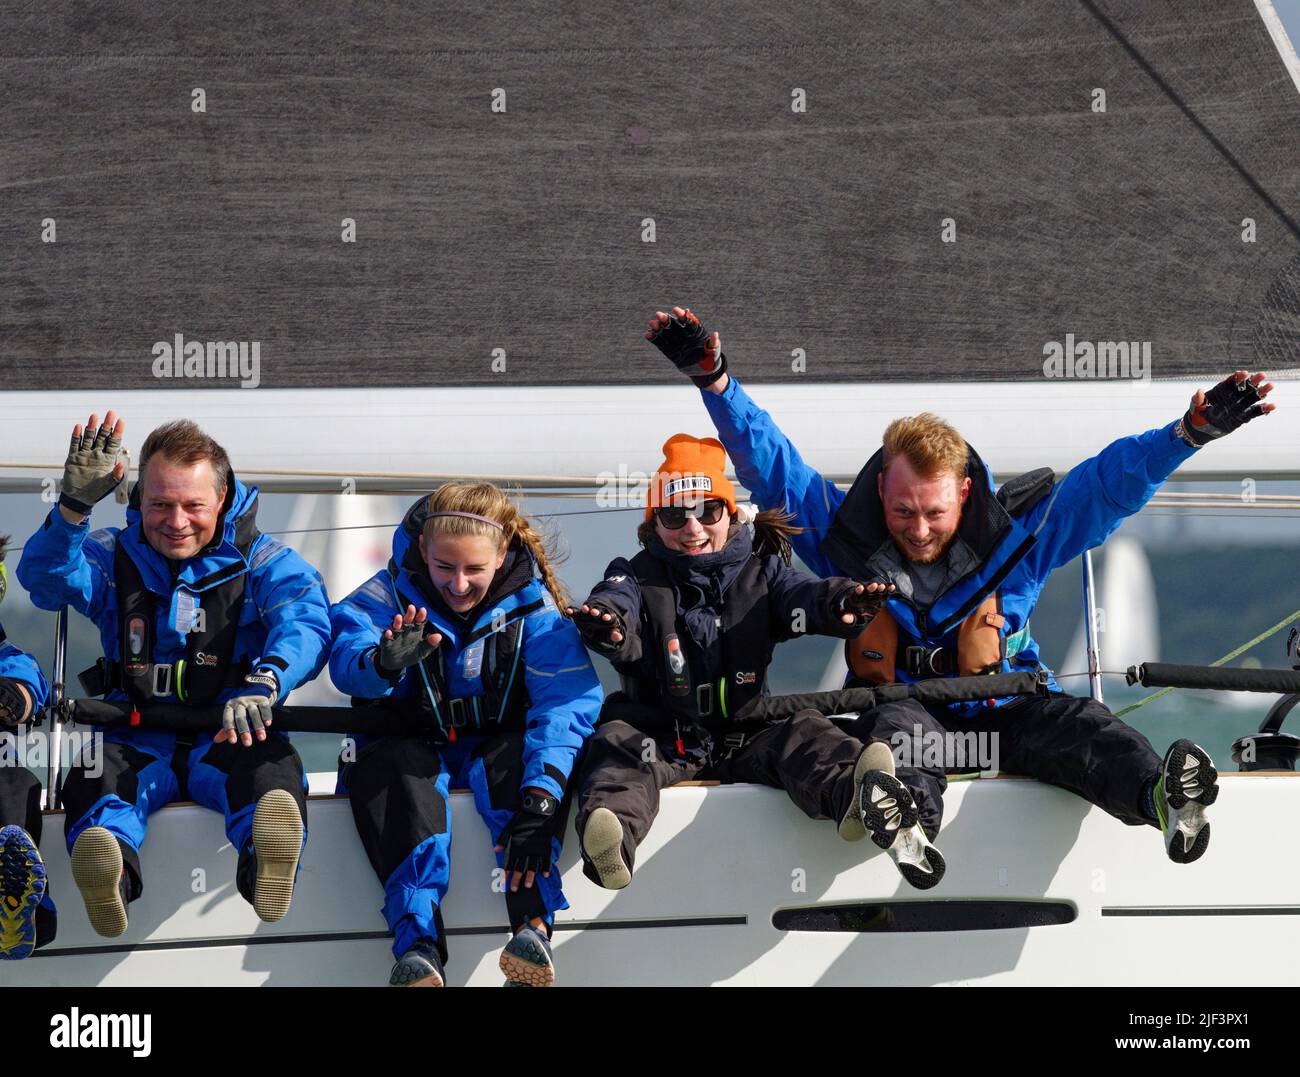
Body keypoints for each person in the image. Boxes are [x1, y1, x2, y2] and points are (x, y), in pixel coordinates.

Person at [652, 304, 1277, 867]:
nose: (918, 530)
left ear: (966, 495)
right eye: (902, 512)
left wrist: (1186, 435)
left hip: (1007, 713)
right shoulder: (840, 539)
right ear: (879, 495)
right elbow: (772, 467)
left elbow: (1103, 487)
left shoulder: (1020, 539)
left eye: (934, 513)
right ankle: (908, 832)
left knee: (1084, 724)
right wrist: (716, 382)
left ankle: (1162, 798)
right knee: (897, 731)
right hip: (905, 718)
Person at [568, 433, 943, 893]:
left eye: (708, 510)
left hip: (750, 731)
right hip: (661, 737)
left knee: (806, 729)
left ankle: (855, 795)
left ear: (729, 513)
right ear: (653, 525)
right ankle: (611, 841)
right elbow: (616, 602)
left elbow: (801, 595)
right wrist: (609, 628)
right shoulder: (633, 573)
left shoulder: (761, 571)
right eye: (673, 515)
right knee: (616, 745)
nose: (693, 528)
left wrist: (840, 602)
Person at [17, 413, 331, 936]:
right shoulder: (107, 554)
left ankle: (265, 864)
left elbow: (308, 621)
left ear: (224, 499)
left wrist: (267, 680)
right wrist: (73, 508)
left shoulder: (266, 561)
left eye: (193, 506)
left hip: (232, 731)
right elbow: (45, 582)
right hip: (135, 733)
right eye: (160, 504)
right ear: (139, 499)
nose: (176, 521)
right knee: (95, 777)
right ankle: (109, 870)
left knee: (271, 771)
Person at [329, 482, 603, 988]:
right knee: (396, 771)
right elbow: (346, 658)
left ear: (502, 556)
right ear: (422, 554)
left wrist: (542, 801)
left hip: (496, 751)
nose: (457, 585)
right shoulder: (382, 597)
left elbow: (565, 706)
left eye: (474, 569)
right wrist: (381, 664)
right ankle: (418, 950)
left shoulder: (538, 613)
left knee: (521, 767)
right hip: (404, 753)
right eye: (444, 568)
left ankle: (533, 929)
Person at [0, 537, 56, 960]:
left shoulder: (10, 659)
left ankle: (15, 908)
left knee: (15, 781)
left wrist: (14, 697)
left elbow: (25, 684)